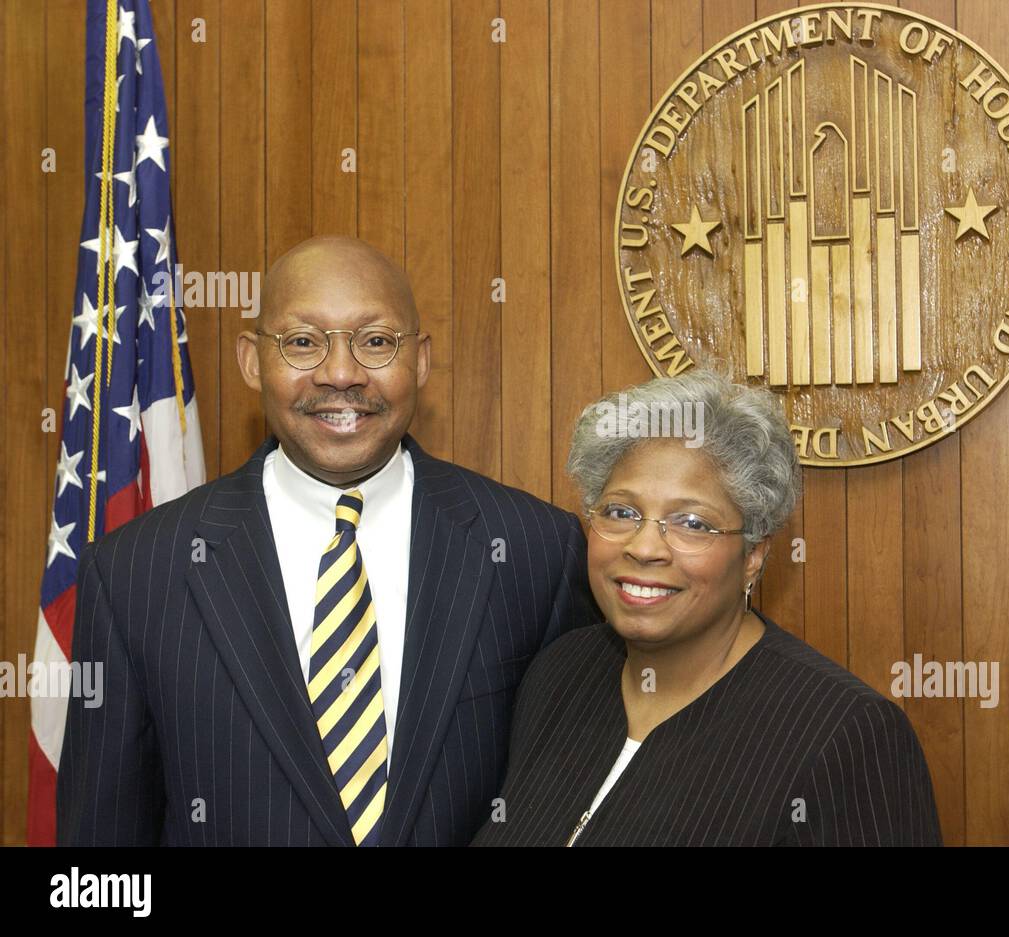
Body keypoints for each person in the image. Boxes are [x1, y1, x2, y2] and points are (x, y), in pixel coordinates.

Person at [56, 235, 599, 846]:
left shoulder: (535, 549)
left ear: (419, 360)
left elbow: (570, 800)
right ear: (251, 360)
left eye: (375, 342)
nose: (341, 374)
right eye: (302, 343)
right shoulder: (135, 571)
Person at [472, 368, 942, 846]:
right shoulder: (560, 674)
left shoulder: (844, 734)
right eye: (620, 512)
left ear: (753, 556)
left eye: (692, 523)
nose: (645, 547)